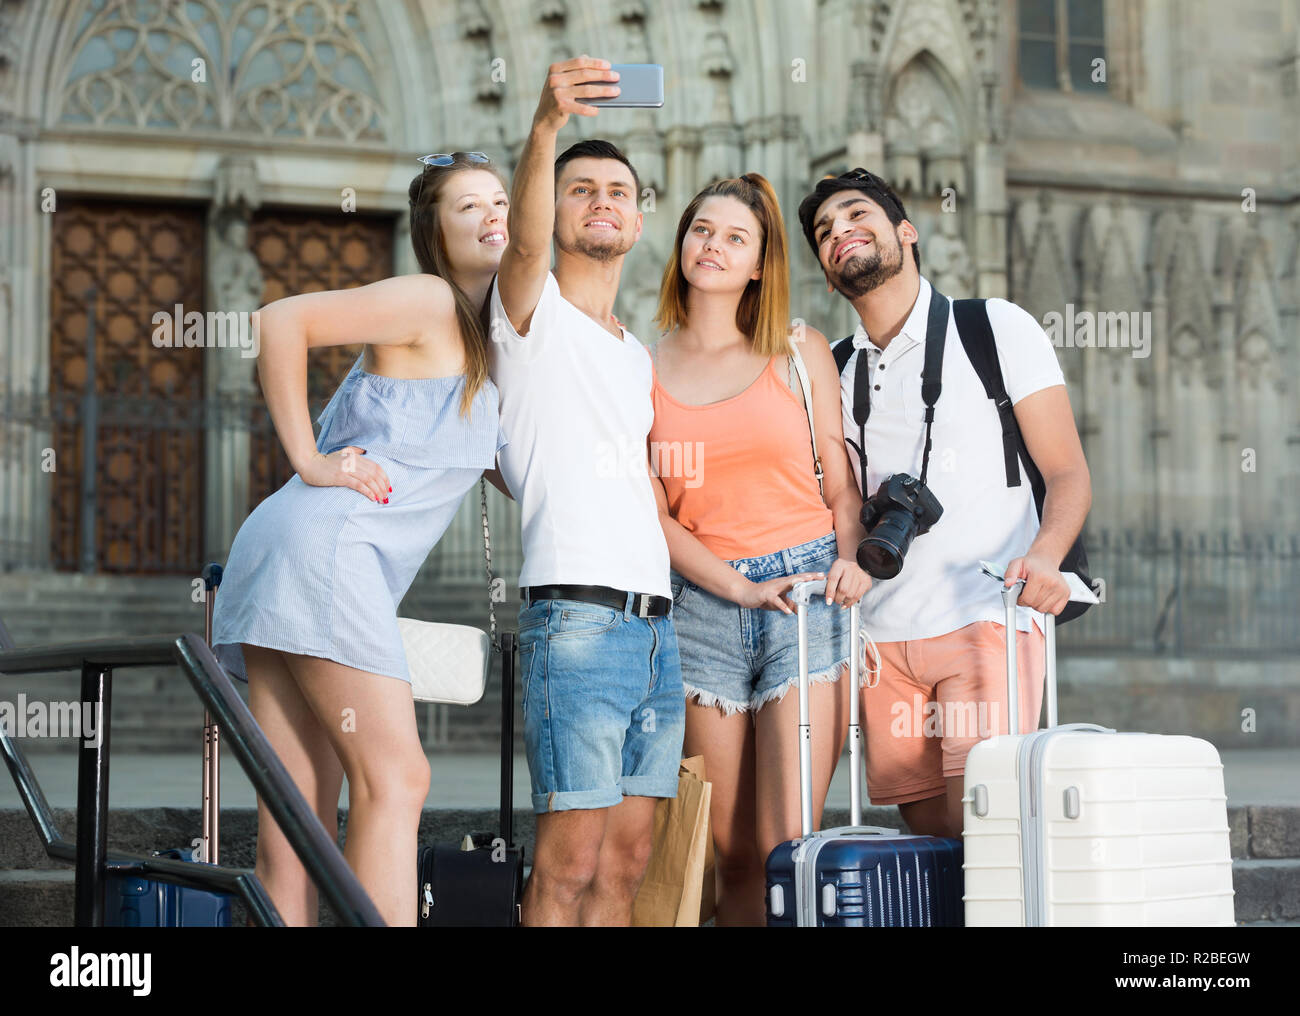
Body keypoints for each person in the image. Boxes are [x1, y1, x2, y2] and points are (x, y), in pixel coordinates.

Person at [211, 152, 511, 926]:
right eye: (468, 206)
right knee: (397, 779)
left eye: (501, 201)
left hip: (284, 551)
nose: (492, 216)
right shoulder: (427, 298)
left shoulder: (481, 339)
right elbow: (280, 320)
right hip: (328, 551)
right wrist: (308, 459)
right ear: (433, 232)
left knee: (297, 805)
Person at [797, 168, 1092, 839]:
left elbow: (1068, 470)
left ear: (907, 231)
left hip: (984, 619)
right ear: (824, 266)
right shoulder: (834, 365)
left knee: (987, 835)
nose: (840, 231)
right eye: (823, 231)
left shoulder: (993, 327)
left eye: (855, 214)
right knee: (928, 842)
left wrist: (1045, 560)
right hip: (882, 637)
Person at [489, 57, 685, 927]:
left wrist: (743, 582)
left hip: (656, 630)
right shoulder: (531, 314)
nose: (602, 200)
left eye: (618, 190)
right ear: (552, 208)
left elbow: (644, 495)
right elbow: (525, 246)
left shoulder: (633, 352)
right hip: (576, 624)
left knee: (628, 866)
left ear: (640, 220)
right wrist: (544, 128)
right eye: (580, 189)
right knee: (565, 869)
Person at [646, 173, 870, 925]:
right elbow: (656, 519)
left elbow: (842, 489)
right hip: (702, 605)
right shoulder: (639, 367)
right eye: (702, 230)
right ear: (681, 244)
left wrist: (852, 561)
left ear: (759, 264)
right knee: (725, 851)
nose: (713, 247)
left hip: (806, 599)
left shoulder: (799, 349)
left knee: (786, 843)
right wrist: (735, 588)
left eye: (735, 237)